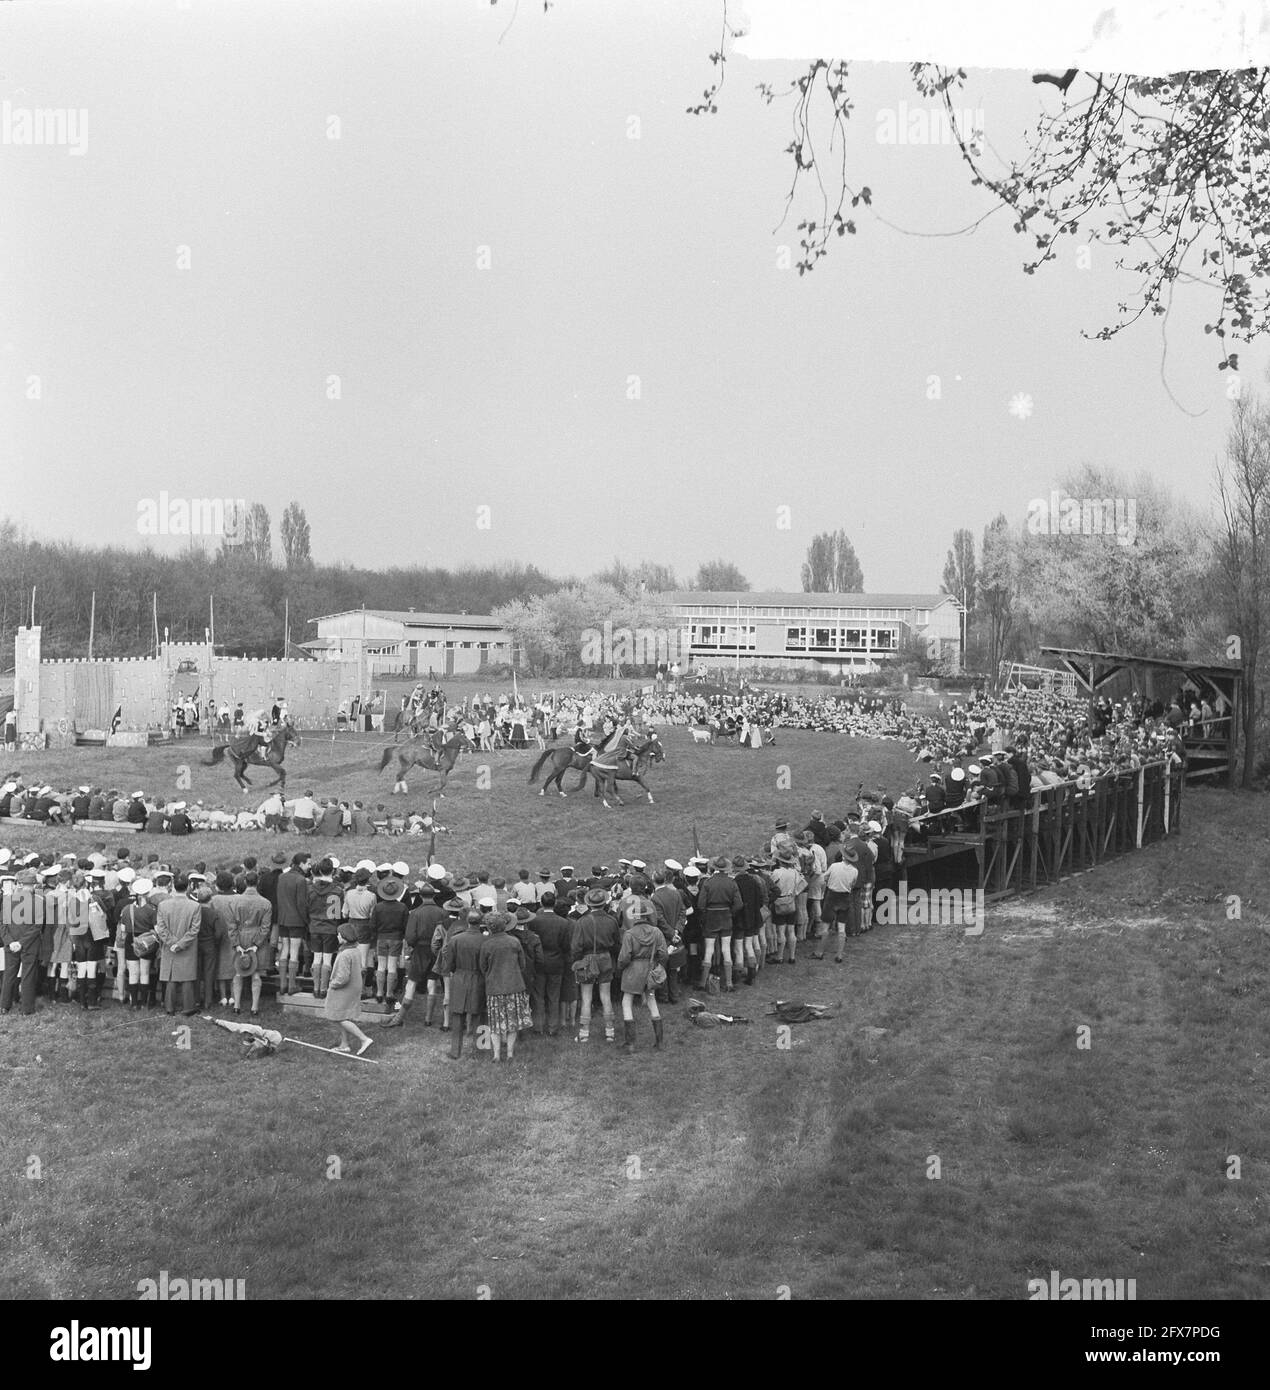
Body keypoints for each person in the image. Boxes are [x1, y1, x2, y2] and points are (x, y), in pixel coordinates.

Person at [616, 901, 668, 1054]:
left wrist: (620, 968)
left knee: (627, 1002)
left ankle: (630, 1043)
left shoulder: (629, 934)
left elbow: (624, 957)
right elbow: (664, 954)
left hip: (632, 970)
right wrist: (657, 965)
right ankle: (659, 1042)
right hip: (650, 969)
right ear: (647, 916)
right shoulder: (657, 931)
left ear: (634, 917)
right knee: (651, 999)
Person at [570, 887, 621, 1044]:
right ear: (604, 903)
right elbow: (616, 944)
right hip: (606, 958)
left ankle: (584, 1033)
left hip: (587, 959)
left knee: (586, 998)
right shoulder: (612, 920)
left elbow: (576, 947)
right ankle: (610, 1032)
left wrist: (577, 961)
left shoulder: (582, 922)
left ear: (589, 903)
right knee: (606, 996)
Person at [479, 911, 530, 1064]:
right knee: (512, 1022)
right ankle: (509, 1053)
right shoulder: (514, 941)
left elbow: (483, 967)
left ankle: (496, 1055)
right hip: (514, 986)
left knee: (495, 1023)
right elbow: (522, 965)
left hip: (494, 988)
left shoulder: (486, 944)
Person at [440, 909, 486, 1060]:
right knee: (479, 1015)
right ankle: (480, 1050)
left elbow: (448, 965)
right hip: (479, 979)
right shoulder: (486, 940)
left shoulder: (456, 939)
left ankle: (455, 1051)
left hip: (459, 978)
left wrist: (456, 970)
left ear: (467, 921)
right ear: (480, 922)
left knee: (457, 1015)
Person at [324, 921, 373, 1056]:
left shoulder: (345, 954)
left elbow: (343, 978)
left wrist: (332, 984)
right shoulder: (355, 950)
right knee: (343, 1015)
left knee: (338, 1017)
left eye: (339, 935)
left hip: (344, 989)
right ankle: (344, 1044)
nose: (337, 937)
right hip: (354, 987)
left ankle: (364, 1039)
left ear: (345, 936)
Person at [155, 872, 201, 1016]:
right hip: (187, 946)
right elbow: (195, 930)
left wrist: (172, 943)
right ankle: (188, 1008)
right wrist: (180, 944)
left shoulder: (163, 905)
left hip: (170, 947)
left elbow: (161, 929)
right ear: (188, 887)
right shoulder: (195, 905)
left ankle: (169, 1007)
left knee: (170, 977)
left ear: (173, 887)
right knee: (187, 977)